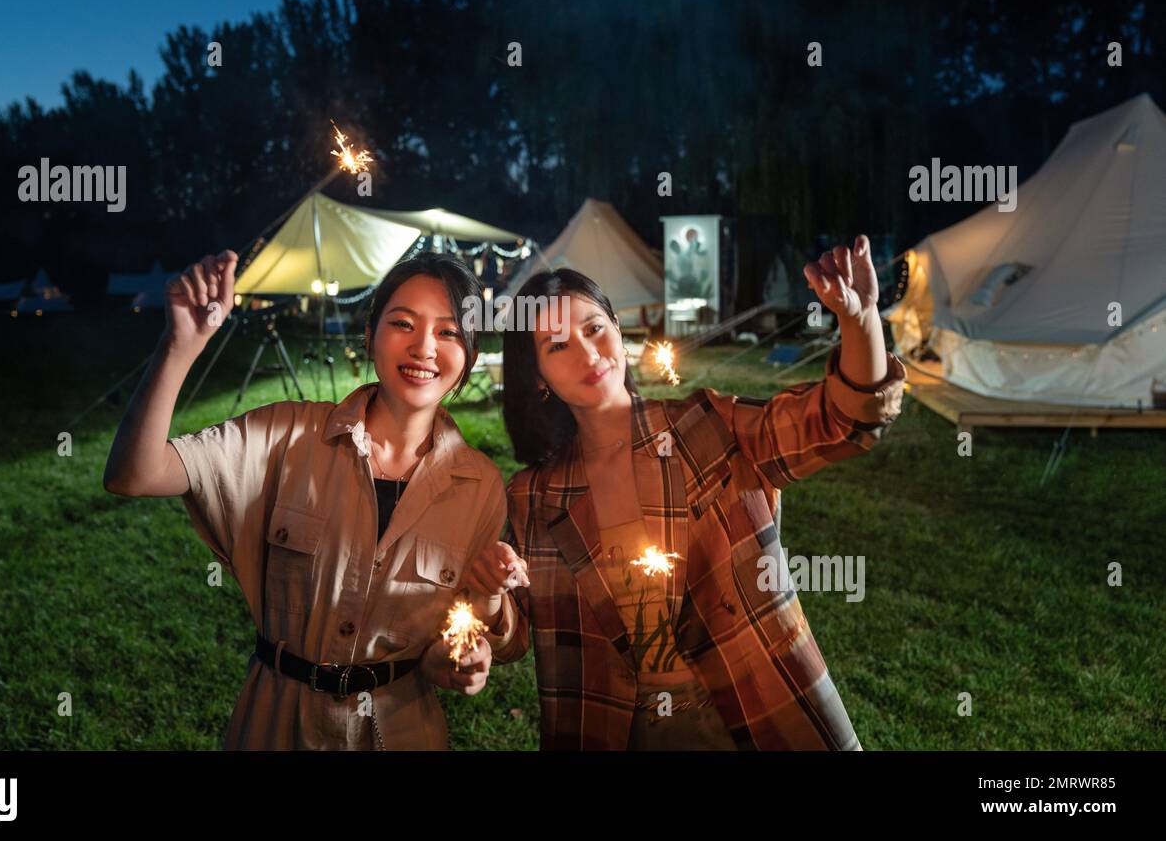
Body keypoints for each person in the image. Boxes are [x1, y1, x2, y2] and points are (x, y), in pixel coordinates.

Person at [489, 235, 907, 750]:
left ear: (619, 331)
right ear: (538, 379)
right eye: (557, 346)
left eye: (595, 328)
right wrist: (488, 591)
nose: (589, 353)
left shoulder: (705, 428)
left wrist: (861, 321)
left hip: (757, 708)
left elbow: (843, 422)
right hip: (617, 730)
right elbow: (511, 635)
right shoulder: (535, 496)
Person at [103, 249, 522, 749]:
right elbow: (134, 474)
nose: (424, 347)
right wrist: (180, 346)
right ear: (370, 335)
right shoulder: (286, 434)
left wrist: (460, 662)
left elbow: (440, 645)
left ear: (470, 354)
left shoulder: (479, 487)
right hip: (277, 725)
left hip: (401, 731)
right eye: (403, 323)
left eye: (449, 332)